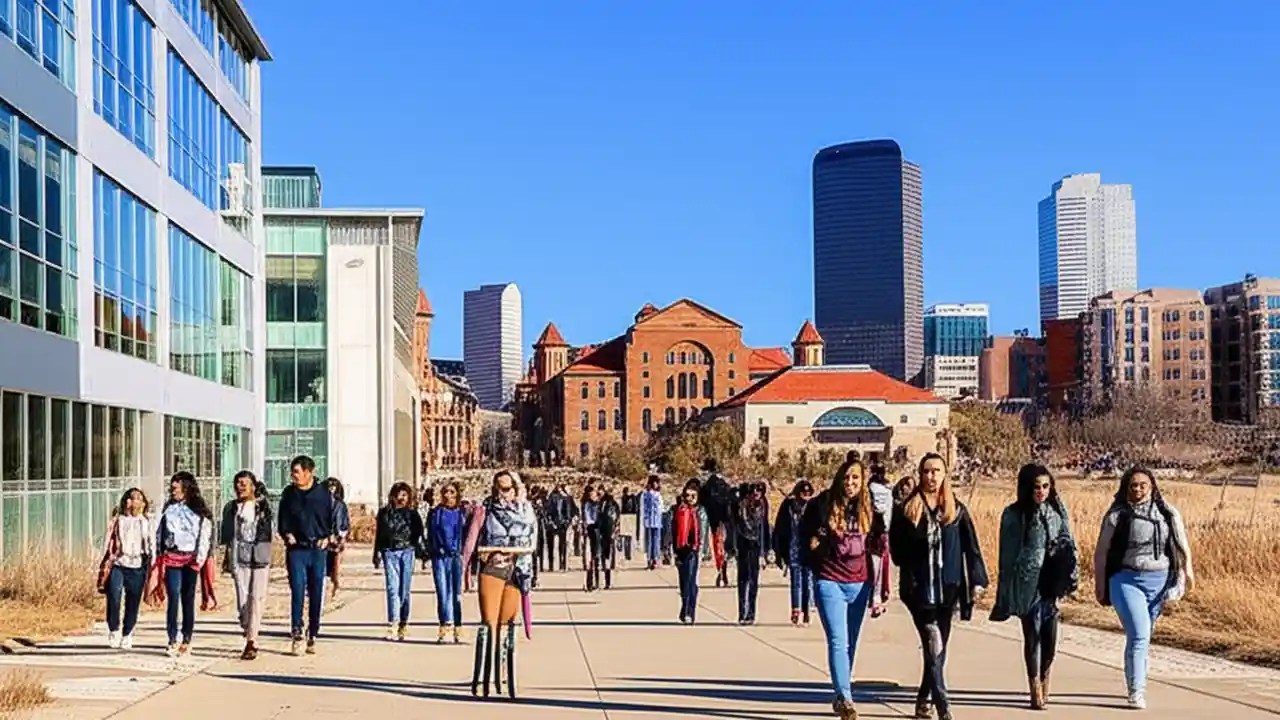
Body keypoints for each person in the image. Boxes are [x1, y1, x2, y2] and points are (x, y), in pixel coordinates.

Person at [890, 453, 989, 720]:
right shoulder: (907, 510)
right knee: (933, 640)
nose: (931, 476)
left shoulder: (956, 510)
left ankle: (924, 698)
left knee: (939, 647)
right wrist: (915, 538)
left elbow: (972, 547)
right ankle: (943, 704)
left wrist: (978, 580)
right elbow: (897, 552)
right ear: (920, 474)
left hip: (948, 588)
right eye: (926, 471)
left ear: (945, 474)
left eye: (936, 471)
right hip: (919, 589)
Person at [1094, 466, 1193, 710]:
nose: (1138, 489)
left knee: (1141, 636)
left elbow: (1181, 544)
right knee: (1140, 633)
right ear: (1126, 488)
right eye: (1133, 485)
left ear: (1152, 487)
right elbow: (1101, 552)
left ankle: (1133, 680)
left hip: (1159, 581)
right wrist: (1099, 583)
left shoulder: (1167, 513)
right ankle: (1136, 691)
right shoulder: (1117, 516)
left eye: (1143, 485)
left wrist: (1187, 572)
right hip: (1125, 580)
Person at [799, 460, 886, 720]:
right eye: (846, 478)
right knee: (838, 640)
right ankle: (845, 698)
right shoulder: (822, 505)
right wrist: (814, 547)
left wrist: (880, 589)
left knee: (851, 642)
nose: (850, 483)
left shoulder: (870, 510)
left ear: (863, 482)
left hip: (860, 583)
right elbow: (804, 536)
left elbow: (881, 547)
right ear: (839, 479)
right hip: (830, 580)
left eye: (856, 479)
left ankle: (840, 692)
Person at [991, 463, 1078, 710]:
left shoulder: (1057, 512)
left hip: (1051, 581)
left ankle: (1045, 676)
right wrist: (1006, 591)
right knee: (1032, 634)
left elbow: (1068, 543)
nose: (1040, 491)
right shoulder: (1014, 514)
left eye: (1045, 486)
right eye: (1036, 487)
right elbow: (1006, 555)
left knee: (1050, 637)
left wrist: (1070, 575)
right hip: (1026, 580)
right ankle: (1034, 687)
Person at [461, 471, 538, 699]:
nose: (501, 494)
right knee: (490, 623)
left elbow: (533, 541)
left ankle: (502, 670)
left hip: (517, 571)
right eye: (497, 488)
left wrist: (521, 556)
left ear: (516, 489)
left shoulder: (527, 511)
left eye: (505, 489)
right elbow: (471, 542)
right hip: (492, 569)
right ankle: (485, 672)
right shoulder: (485, 509)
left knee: (507, 624)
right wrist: (466, 572)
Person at [277, 454, 335, 656]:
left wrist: (328, 537)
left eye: (297, 472)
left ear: (309, 472)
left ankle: (313, 631)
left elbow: (332, 519)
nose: (294, 476)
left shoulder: (323, 494)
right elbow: (282, 519)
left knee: (316, 591)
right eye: (293, 472)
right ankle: (297, 632)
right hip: (296, 550)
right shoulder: (288, 494)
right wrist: (287, 533)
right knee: (298, 590)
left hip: (317, 550)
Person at [150, 472, 213, 657]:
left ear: (186, 488)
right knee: (173, 596)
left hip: (191, 559)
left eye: (176, 487)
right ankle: (172, 638)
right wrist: (159, 554)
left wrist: (199, 559)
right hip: (172, 557)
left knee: (188, 598)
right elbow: (160, 532)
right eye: (172, 488)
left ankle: (187, 637)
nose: (173, 491)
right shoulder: (169, 508)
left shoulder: (199, 510)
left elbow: (205, 534)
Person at [220, 471, 273, 661]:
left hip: (259, 553)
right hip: (239, 555)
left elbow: (269, 527)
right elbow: (226, 534)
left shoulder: (262, 506)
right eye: (238, 483)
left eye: (245, 483)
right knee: (243, 597)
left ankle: (252, 641)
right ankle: (247, 623)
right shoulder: (231, 508)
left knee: (257, 597)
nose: (240, 487)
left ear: (253, 486)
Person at [100, 487, 153, 651]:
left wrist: (153, 564)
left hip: (137, 564)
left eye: (138, 498)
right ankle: (114, 628)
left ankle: (127, 632)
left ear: (143, 503)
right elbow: (108, 541)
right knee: (114, 596)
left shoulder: (147, 522)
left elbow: (152, 544)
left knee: (133, 601)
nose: (134, 502)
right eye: (131, 498)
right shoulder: (118, 520)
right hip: (118, 563)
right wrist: (105, 560)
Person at [374, 482, 425, 641]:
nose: (400, 498)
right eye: (398, 495)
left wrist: (423, 554)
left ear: (408, 497)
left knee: (404, 589)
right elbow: (379, 533)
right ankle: (393, 623)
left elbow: (419, 535)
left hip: (407, 551)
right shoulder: (384, 513)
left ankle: (403, 621)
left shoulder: (412, 514)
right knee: (392, 588)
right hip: (389, 551)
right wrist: (375, 553)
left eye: (404, 495)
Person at [427, 481, 467, 644]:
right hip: (440, 557)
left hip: (456, 556)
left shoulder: (461, 513)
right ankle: (445, 626)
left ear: (457, 494)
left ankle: (457, 626)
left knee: (455, 593)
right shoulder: (436, 513)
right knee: (442, 592)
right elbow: (430, 533)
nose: (448, 495)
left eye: (452, 492)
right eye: (445, 492)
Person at [772, 479, 816, 626]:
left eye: (809, 493)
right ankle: (796, 609)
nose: (806, 496)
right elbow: (779, 528)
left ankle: (806, 610)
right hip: (793, 548)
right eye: (804, 493)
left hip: (809, 549)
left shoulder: (813, 506)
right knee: (796, 581)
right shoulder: (788, 506)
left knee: (808, 580)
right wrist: (778, 550)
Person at [732, 482, 769, 624]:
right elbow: (734, 525)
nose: (756, 493)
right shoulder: (740, 506)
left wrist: (766, 550)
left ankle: (751, 613)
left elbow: (764, 527)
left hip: (756, 546)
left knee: (754, 580)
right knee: (743, 579)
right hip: (743, 545)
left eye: (759, 490)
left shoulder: (763, 506)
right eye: (753, 490)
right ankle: (742, 612)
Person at [700, 459, 734, 587]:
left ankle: (720, 569)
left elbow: (702, 500)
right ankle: (722, 569)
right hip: (726, 520)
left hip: (714, 520)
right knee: (724, 546)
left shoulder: (707, 485)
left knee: (717, 546)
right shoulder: (724, 484)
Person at [672, 483, 702, 624]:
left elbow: (703, 531)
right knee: (684, 583)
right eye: (687, 495)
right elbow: (673, 531)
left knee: (690, 581)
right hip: (681, 549)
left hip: (693, 550)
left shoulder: (699, 512)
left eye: (693, 496)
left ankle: (689, 612)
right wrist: (674, 551)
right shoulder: (678, 511)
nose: (690, 498)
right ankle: (685, 607)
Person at [868, 464, 895, 617]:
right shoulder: (888, 490)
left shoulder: (869, 489)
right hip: (884, 533)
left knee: (872, 567)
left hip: (870, 533)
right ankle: (878, 598)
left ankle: (873, 598)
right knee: (881, 568)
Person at [325, 478, 351, 600]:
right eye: (329, 486)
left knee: (335, 564)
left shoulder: (341, 504)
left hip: (337, 539)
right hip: (325, 538)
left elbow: (345, 522)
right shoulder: (321, 503)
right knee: (325, 564)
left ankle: (335, 585)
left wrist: (342, 535)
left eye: (334, 486)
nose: (332, 488)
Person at [543, 483, 576, 572]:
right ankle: (551, 565)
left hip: (563, 524)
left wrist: (567, 521)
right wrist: (550, 522)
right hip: (552, 523)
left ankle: (563, 564)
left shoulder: (567, 498)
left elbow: (573, 511)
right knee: (551, 545)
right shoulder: (551, 498)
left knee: (563, 545)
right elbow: (547, 510)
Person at [597, 487, 622, 589]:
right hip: (602, 530)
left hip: (609, 530)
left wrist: (616, 528)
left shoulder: (611, 504)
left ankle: (608, 579)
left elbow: (616, 517)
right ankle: (605, 569)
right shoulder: (601, 503)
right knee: (604, 553)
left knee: (608, 553)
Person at [580, 484, 603, 592]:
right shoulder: (586, 504)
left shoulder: (599, 504)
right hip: (590, 530)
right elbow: (585, 519)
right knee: (590, 559)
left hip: (596, 531)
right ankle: (590, 583)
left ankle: (595, 583)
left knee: (595, 558)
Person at [641, 476, 665, 570]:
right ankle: (649, 560)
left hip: (657, 521)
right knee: (649, 542)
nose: (655, 484)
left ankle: (655, 559)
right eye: (654, 482)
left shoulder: (658, 494)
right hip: (648, 521)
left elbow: (661, 507)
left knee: (656, 541)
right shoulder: (646, 494)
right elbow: (644, 507)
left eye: (657, 482)